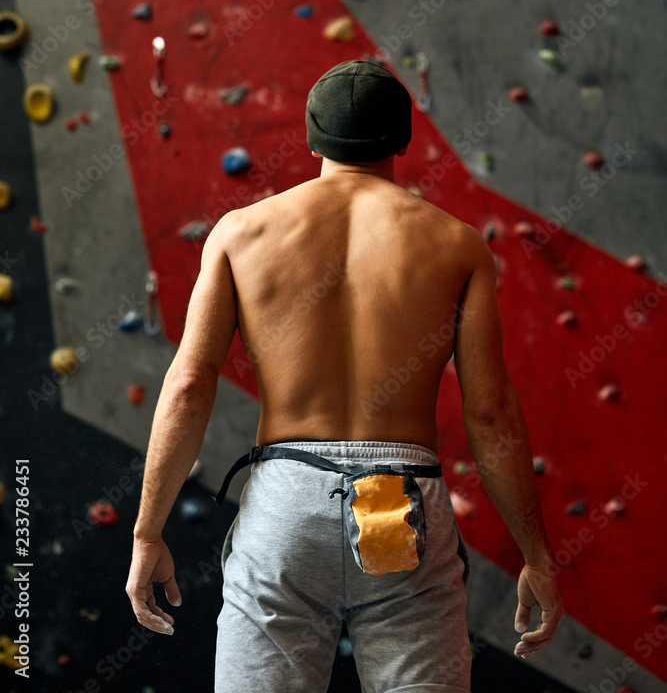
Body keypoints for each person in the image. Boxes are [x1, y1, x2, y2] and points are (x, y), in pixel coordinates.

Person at [126, 59, 563, 692]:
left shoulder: (240, 234)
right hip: (402, 506)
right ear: (402, 140)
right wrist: (538, 556)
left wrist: (147, 532)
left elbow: (190, 386)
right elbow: (490, 411)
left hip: (287, 504)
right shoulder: (457, 246)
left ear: (313, 140)